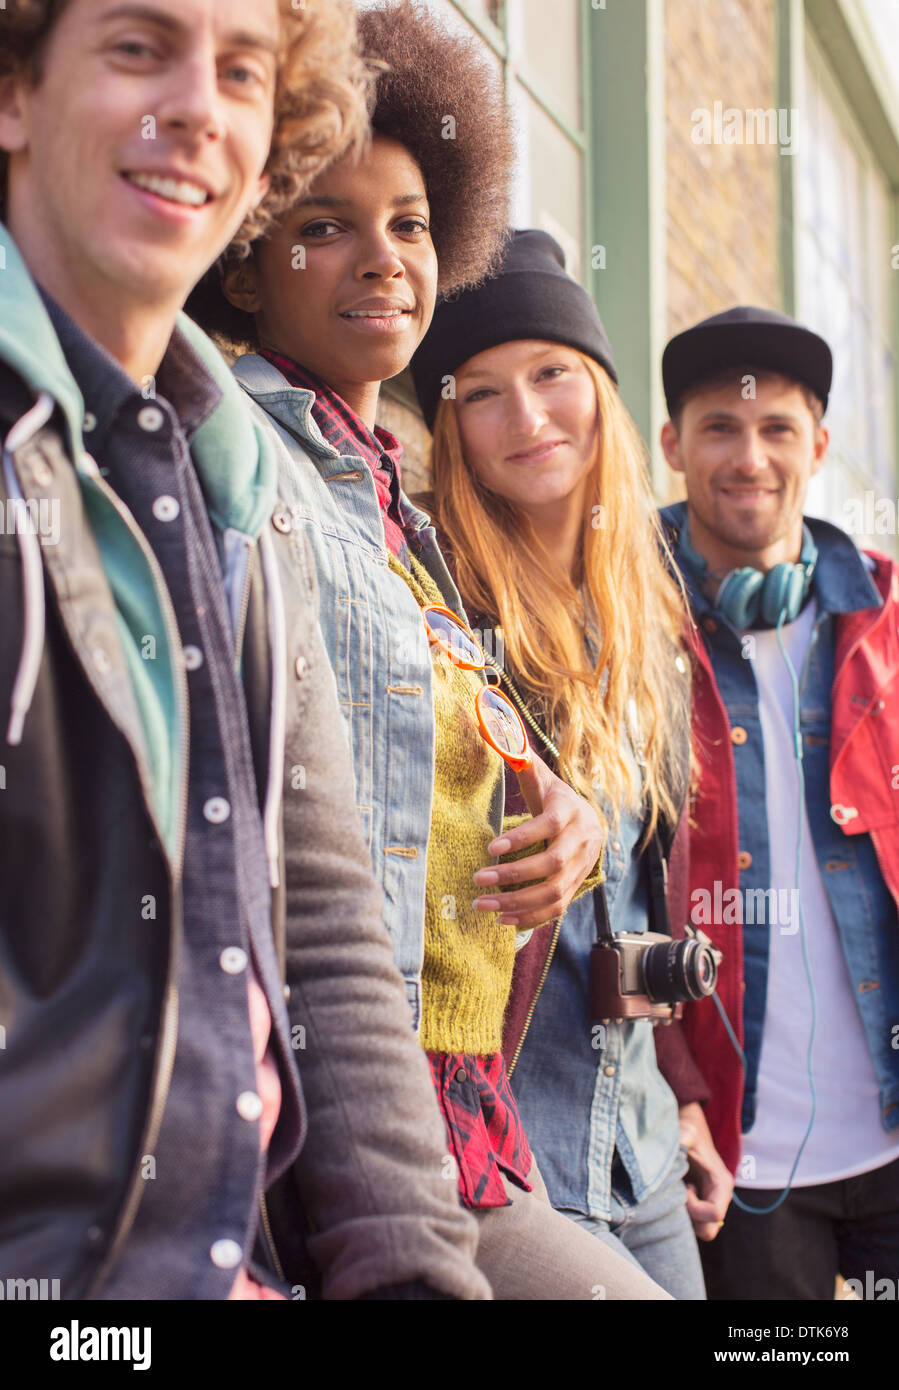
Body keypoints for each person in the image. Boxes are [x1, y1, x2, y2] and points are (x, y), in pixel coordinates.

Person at [0, 0, 491, 1301]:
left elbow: (324, 921)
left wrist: (416, 1273)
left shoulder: (239, 485)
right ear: (12, 94)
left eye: (240, 72)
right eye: (137, 48)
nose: (197, 108)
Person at [189, 0, 667, 1300]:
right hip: (327, 1126)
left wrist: (551, 807)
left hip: (465, 1110)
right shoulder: (231, 444)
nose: (383, 256)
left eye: (408, 223)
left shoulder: (391, 496)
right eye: (324, 225)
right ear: (244, 263)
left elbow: (432, 748)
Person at [410, 228, 721, 1299]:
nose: (528, 418)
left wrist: (679, 1096)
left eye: (551, 374)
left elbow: (641, 892)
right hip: (512, 1143)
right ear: (446, 425)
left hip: (635, 1141)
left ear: (598, 385)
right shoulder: (439, 609)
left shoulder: (642, 608)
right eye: (482, 392)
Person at [657, 305, 899, 1300]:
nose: (746, 456)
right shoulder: (617, 624)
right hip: (737, 1158)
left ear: (818, 445)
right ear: (670, 445)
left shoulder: (885, 624)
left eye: (775, 430)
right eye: (718, 427)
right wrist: (669, 1096)